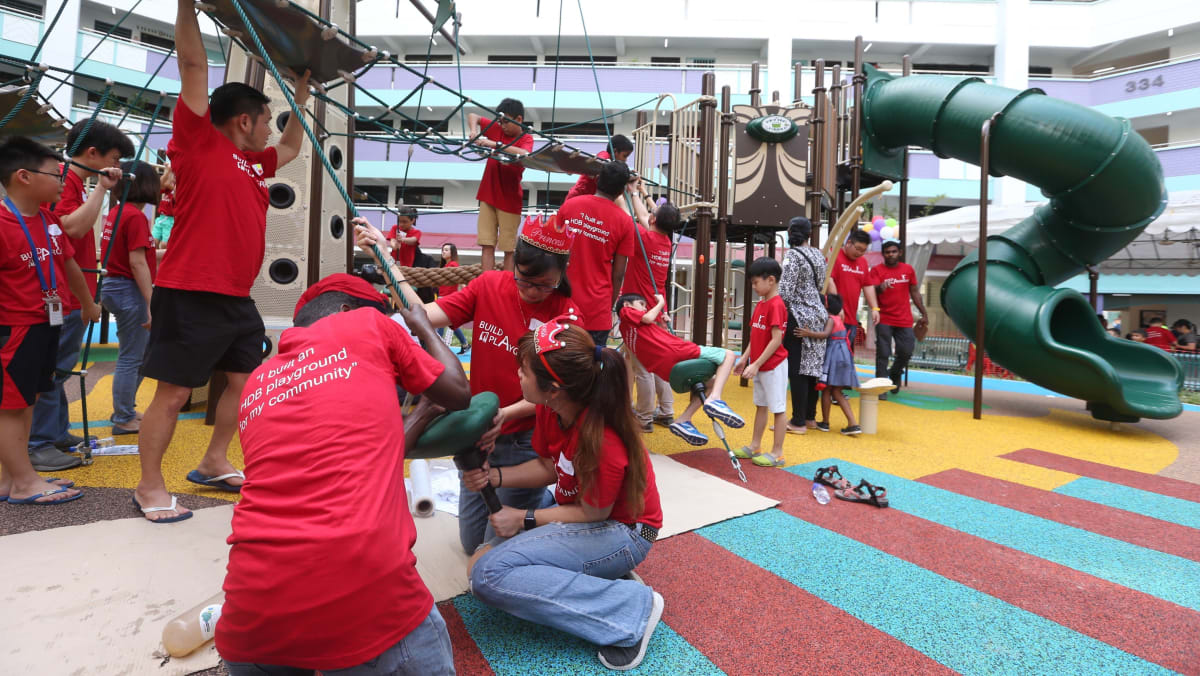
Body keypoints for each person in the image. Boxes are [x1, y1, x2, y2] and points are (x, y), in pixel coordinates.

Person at [217, 273, 470, 675]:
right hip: (366, 602)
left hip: (249, 619)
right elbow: (457, 391)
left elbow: (365, 458)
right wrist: (423, 325)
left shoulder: (258, 382)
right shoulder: (366, 324)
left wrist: (421, 413)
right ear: (347, 310)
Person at [132, 0, 311, 522]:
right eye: (266, 122)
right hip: (190, 290)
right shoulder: (199, 143)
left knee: (244, 383)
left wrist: (300, 100)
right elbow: (193, 65)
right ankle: (148, 486)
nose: (270, 131)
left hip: (236, 297)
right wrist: (186, 4)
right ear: (243, 120)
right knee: (173, 393)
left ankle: (213, 461)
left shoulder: (254, 163)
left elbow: (292, 149)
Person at [354, 215, 582, 555]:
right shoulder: (489, 285)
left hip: (525, 438)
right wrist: (385, 257)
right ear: (514, 265)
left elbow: (558, 391)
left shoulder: (566, 316)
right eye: (523, 279)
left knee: (497, 549)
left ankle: (546, 505)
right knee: (472, 543)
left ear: (562, 275)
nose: (532, 291)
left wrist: (504, 414)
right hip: (478, 433)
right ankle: (538, 503)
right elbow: (422, 317)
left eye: (544, 285)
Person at [463, 320, 665, 672]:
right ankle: (598, 576)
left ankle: (630, 607)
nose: (518, 375)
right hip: (579, 512)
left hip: (624, 531)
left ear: (554, 389)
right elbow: (548, 467)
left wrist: (522, 518)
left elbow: (593, 513)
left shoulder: (603, 438)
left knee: (488, 576)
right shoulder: (552, 407)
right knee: (480, 559)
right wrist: (494, 476)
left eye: (524, 371)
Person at [0, 136, 100, 505]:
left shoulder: (48, 219)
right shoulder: (3, 223)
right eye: (55, 174)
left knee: (29, 400)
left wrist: (87, 303)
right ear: (23, 177)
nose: (62, 180)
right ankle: (25, 481)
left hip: (45, 323)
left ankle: (12, 477)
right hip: (15, 328)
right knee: (11, 406)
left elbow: (68, 263)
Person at [27, 120, 128, 472]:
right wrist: (102, 189)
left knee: (59, 369)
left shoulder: (71, 182)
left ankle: (55, 433)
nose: (116, 165)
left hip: (72, 293)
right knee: (52, 370)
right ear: (93, 153)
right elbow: (70, 228)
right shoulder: (67, 180)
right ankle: (39, 442)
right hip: (63, 295)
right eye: (114, 158)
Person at [616, 293, 744, 446]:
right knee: (729, 355)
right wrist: (661, 302)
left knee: (710, 383)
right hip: (677, 351)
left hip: (666, 369)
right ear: (627, 305)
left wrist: (662, 326)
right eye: (641, 304)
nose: (644, 308)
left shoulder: (629, 329)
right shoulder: (626, 312)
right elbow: (648, 318)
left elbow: (652, 335)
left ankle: (683, 420)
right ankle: (715, 398)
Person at [98, 161, 159, 435]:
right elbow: (137, 262)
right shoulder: (135, 217)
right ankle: (123, 416)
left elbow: (137, 256)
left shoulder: (117, 212)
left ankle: (126, 409)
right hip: (128, 288)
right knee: (132, 357)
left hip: (114, 286)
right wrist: (150, 303)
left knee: (135, 354)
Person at [620, 188, 679, 431]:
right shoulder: (665, 241)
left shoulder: (644, 239)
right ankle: (666, 410)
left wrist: (627, 192)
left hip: (640, 311)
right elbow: (647, 216)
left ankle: (644, 418)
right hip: (657, 308)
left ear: (654, 219)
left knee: (642, 367)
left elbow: (628, 213)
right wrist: (639, 191)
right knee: (655, 362)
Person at [561, 161, 636, 346]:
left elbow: (552, 252)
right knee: (592, 364)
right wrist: (607, 307)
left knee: (556, 361)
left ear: (598, 179)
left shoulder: (569, 206)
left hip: (562, 305)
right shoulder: (625, 223)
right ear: (621, 191)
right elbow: (618, 274)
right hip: (596, 311)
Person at [732, 257, 789, 467]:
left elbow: (776, 340)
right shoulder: (762, 304)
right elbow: (755, 335)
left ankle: (777, 452)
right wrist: (744, 359)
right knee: (761, 405)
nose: (754, 286)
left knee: (778, 408)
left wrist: (755, 364)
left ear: (770, 280)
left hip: (773, 366)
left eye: (756, 282)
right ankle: (755, 445)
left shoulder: (776, 305)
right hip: (760, 365)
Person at [468, 99, 532, 272]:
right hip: (488, 195)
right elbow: (473, 116)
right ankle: (487, 282)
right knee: (486, 244)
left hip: (510, 201)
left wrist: (495, 144)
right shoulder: (497, 128)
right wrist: (473, 131)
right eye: (500, 122)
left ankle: (507, 283)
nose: (502, 126)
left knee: (509, 248)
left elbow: (525, 153)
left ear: (519, 119)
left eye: (506, 122)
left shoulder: (526, 138)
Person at [778, 217, 829, 435]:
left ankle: (797, 421)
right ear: (809, 234)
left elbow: (785, 291)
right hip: (818, 315)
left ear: (791, 232)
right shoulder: (818, 255)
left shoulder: (792, 255)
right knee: (812, 369)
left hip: (798, 315)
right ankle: (810, 417)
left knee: (797, 369)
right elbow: (821, 284)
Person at [868, 240, 928, 398]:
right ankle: (881, 388)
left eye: (894, 251)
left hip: (904, 319)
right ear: (883, 254)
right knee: (883, 353)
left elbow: (914, 291)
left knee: (906, 351)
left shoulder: (908, 270)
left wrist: (923, 312)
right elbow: (871, 290)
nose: (891, 254)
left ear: (900, 253)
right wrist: (881, 287)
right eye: (887, 252)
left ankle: (895, 373)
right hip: (884, 318)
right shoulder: (876, 270)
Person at [801, 295, 862, 435]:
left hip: (834, 358)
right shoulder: (839, 319)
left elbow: (825, 334)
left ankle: (829, 422)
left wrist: (808, 333)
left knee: (828, 390)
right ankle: (850, 423)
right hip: (844, 356)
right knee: (835, 391)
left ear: (826, 306)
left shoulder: (830, 319)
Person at [829, 228, 880, 350]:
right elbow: (829, 280)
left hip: (851, 319)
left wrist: (875, 308)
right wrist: (837, 307)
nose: (859, 253)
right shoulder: (833, 255)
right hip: (834, 317)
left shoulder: (863, 262)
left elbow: (867, 285)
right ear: (848, 243)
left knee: (847, 354)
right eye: (857, 248)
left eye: (863, 250)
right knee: (833, 355)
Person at [564, 134, 634, 203]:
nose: (625, 160)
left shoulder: (612, 169)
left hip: (585, 199)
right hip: (577, 197)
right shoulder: (604, 156)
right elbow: (600, 161)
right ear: (615, 151)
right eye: (624, 156)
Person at [435, 242, 470, 354]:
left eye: (446, 250)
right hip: (443, 297)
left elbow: (460, 279)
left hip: (448, 298)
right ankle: (465, 344)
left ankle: (438, 349)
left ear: (452, 252)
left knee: (441, 323)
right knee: (451, 323)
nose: (443, 252)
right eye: (443, 250)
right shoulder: (445, 266)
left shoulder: (453, 265)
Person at [151, 165, 175, 247]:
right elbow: (160, 184)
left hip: (171, 220)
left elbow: (168, 184)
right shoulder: (168, 188)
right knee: (153, 242)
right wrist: (167, 172)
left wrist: (169, 171)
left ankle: (164, 256)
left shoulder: (177, 188)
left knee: (165, 244)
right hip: (161, 218)